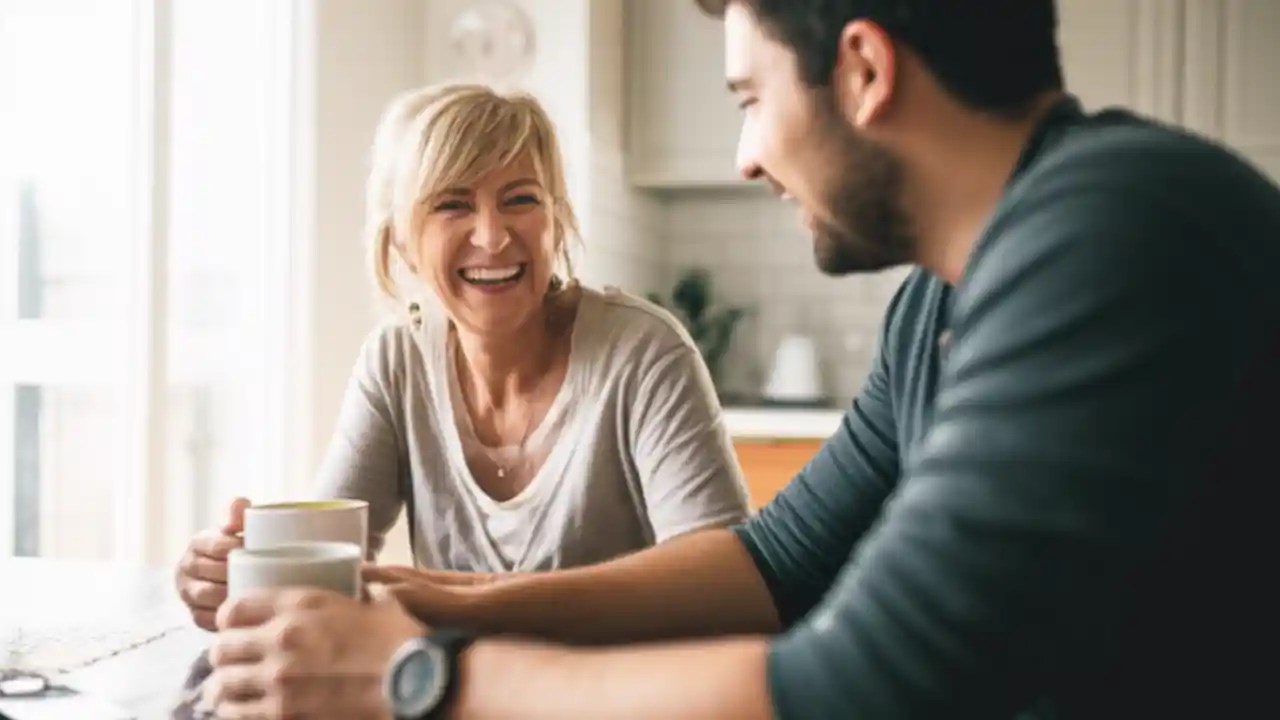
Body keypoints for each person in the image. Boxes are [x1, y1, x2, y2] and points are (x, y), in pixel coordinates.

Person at [201, 1, 1280, 718]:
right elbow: (763, 572)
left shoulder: (1115, 230)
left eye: (749, 100)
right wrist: (447, 600)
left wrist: (418, 674)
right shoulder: (934, 308)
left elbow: (849, 682)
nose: (745, 153)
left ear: (861, 70)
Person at [172, 84, 750, 631]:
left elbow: (724, 588)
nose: (493, 237)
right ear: (401, 240)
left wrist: (455, 601)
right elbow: (331, 569)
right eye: (453, 205)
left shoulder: (644, 354)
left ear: (556, 220)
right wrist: (230, 571)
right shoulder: (396, 361)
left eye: (520, 199)